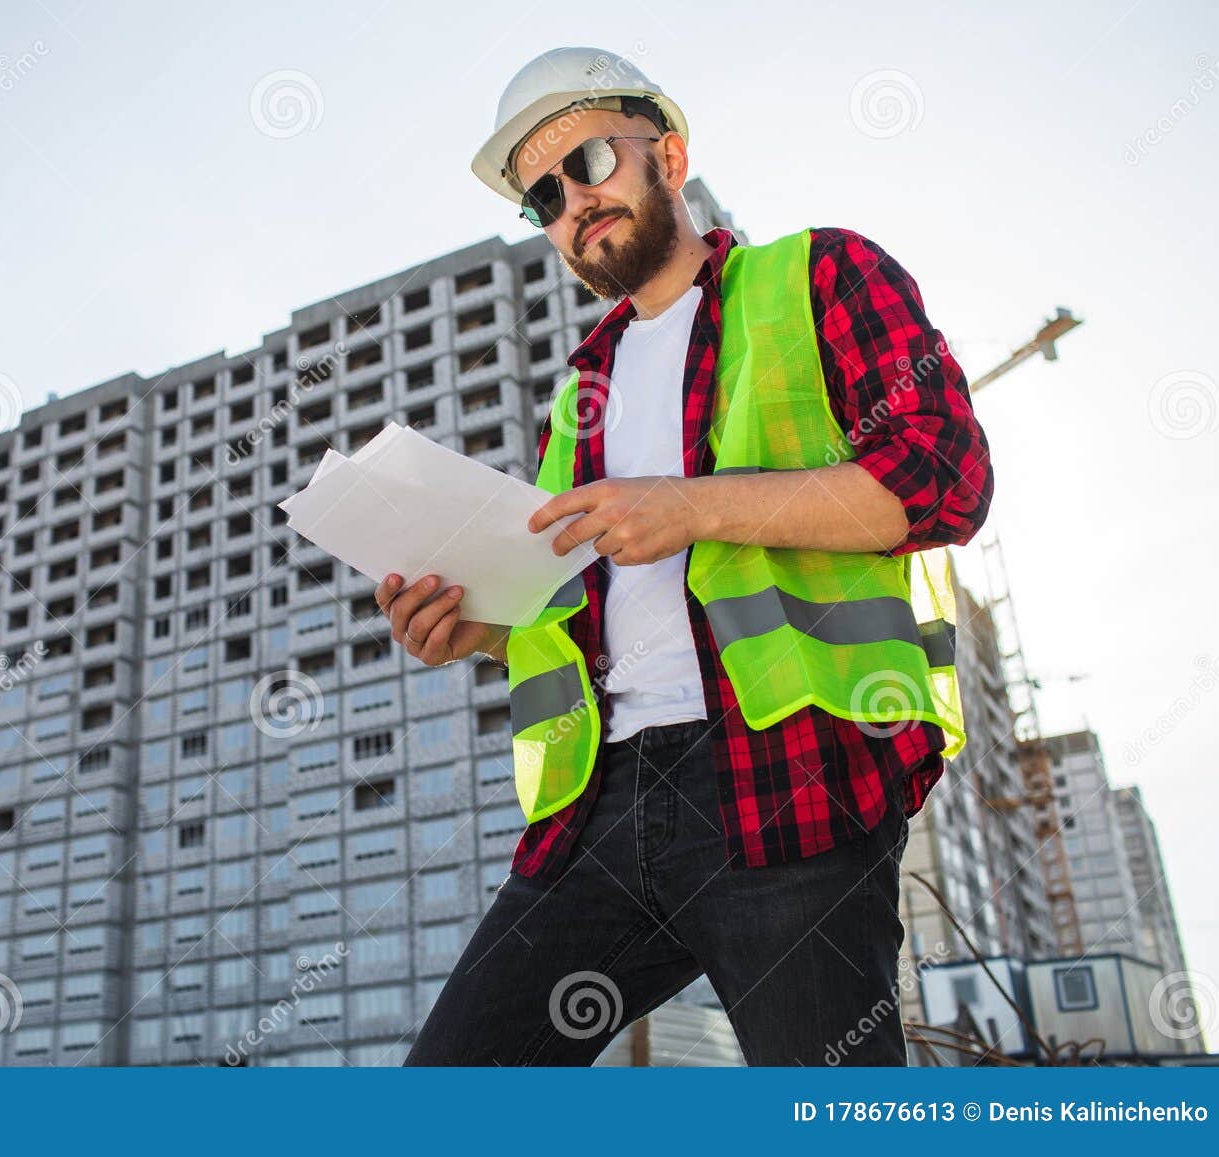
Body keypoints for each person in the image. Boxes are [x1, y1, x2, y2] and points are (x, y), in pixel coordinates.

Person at [384, 47, 992, 1066]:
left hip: (790, 780)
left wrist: (689, 507)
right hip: (598, 814)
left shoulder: (818, 273)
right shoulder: (580, 396)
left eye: (586, 160)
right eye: (543, 196)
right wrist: (482, 632)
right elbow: (584, 617)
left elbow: (944, 471)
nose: (572, 202)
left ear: (665, 153)